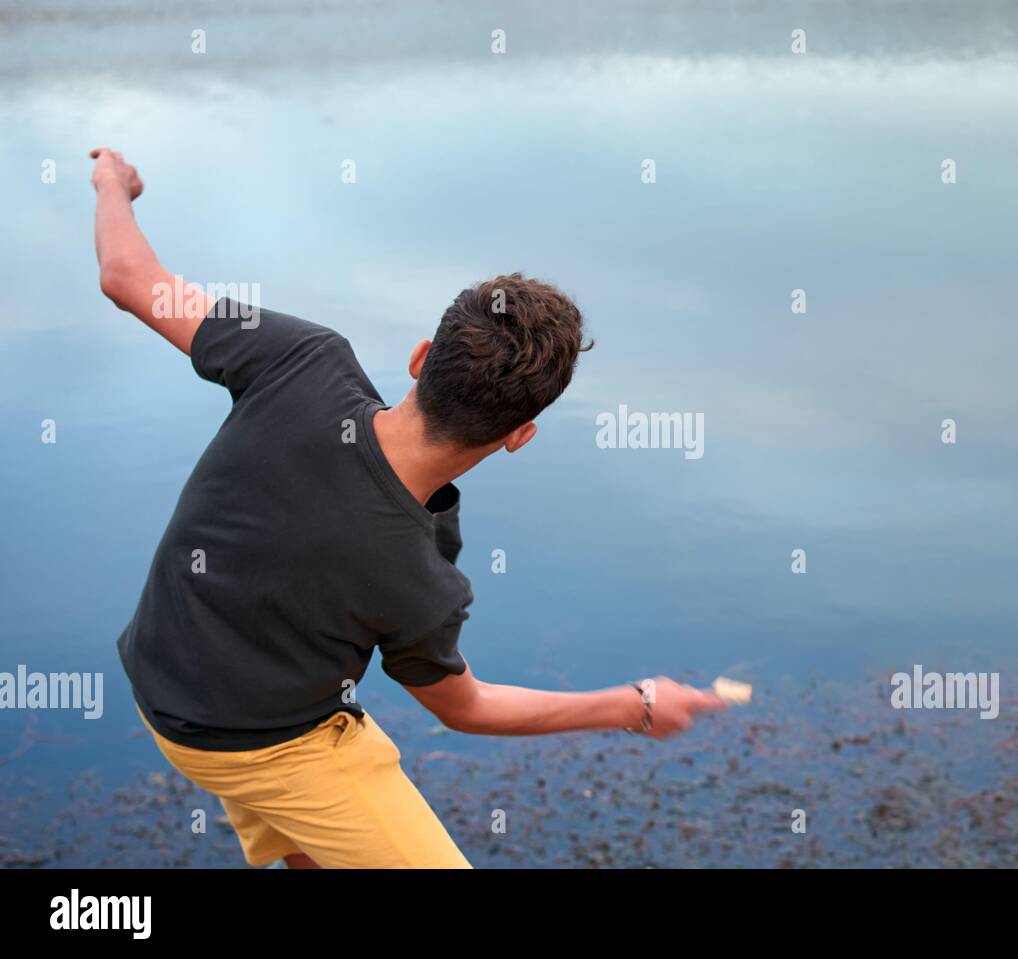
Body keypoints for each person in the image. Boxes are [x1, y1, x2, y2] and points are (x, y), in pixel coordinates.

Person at [89, 147, 726, 869]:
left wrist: (112, 183)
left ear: (421, 356)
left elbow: (126, 276)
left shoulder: (301, 359)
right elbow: (466, 708)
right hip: (267, 743)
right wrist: (634, 705)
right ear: (521, 435)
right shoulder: (420, 575)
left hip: (161, 682)